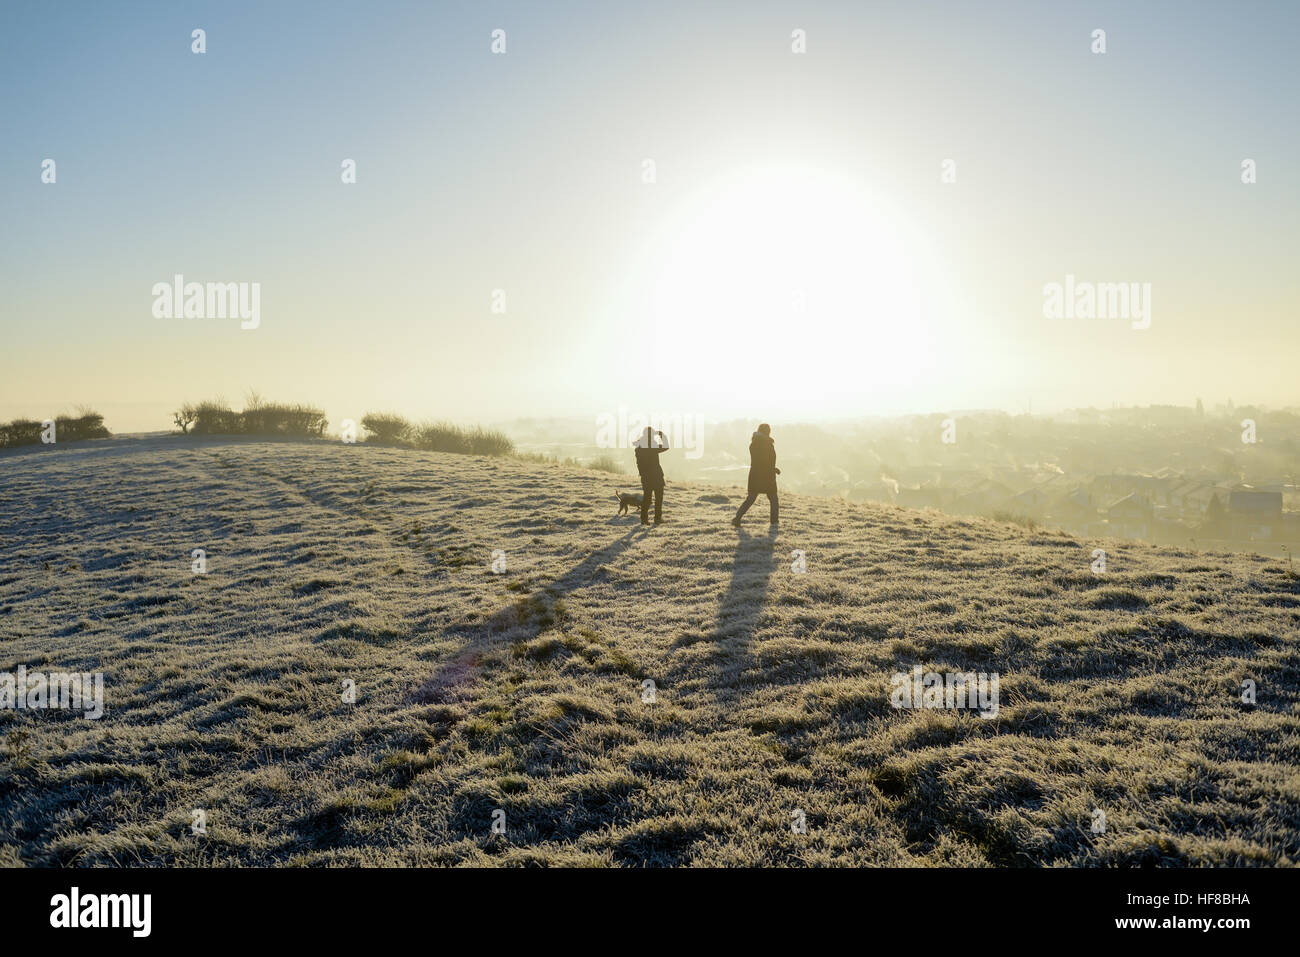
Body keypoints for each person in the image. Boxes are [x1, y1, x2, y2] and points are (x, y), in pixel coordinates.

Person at [732, 423, 780, 526]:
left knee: (752, 498)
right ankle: (774, 522)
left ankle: (737, 519)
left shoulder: (755, 443)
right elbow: (762, 461)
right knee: (772, 499)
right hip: (765, 476)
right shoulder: (763, 444)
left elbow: (764, 461)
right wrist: (772, 470)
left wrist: (773, 469)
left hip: (757, 476)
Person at [633, 427, 669, 525]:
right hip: (656, 476)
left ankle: (644, 520)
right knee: (658, 499)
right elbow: (666, 446)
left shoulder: (639, 448)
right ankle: (657, 519)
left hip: (646, 477)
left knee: (647, 499)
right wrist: (661, 435)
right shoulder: (652, 446)